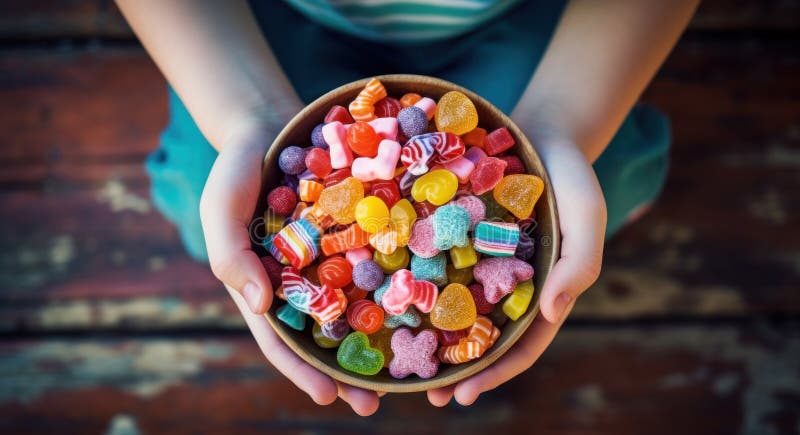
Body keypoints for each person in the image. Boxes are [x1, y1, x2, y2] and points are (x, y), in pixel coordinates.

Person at [117, 0, 699, 416]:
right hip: (255, 27)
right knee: (206, 187)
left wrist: (565, 126)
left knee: (597, 174)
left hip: (548, 25)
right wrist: (246, 118)